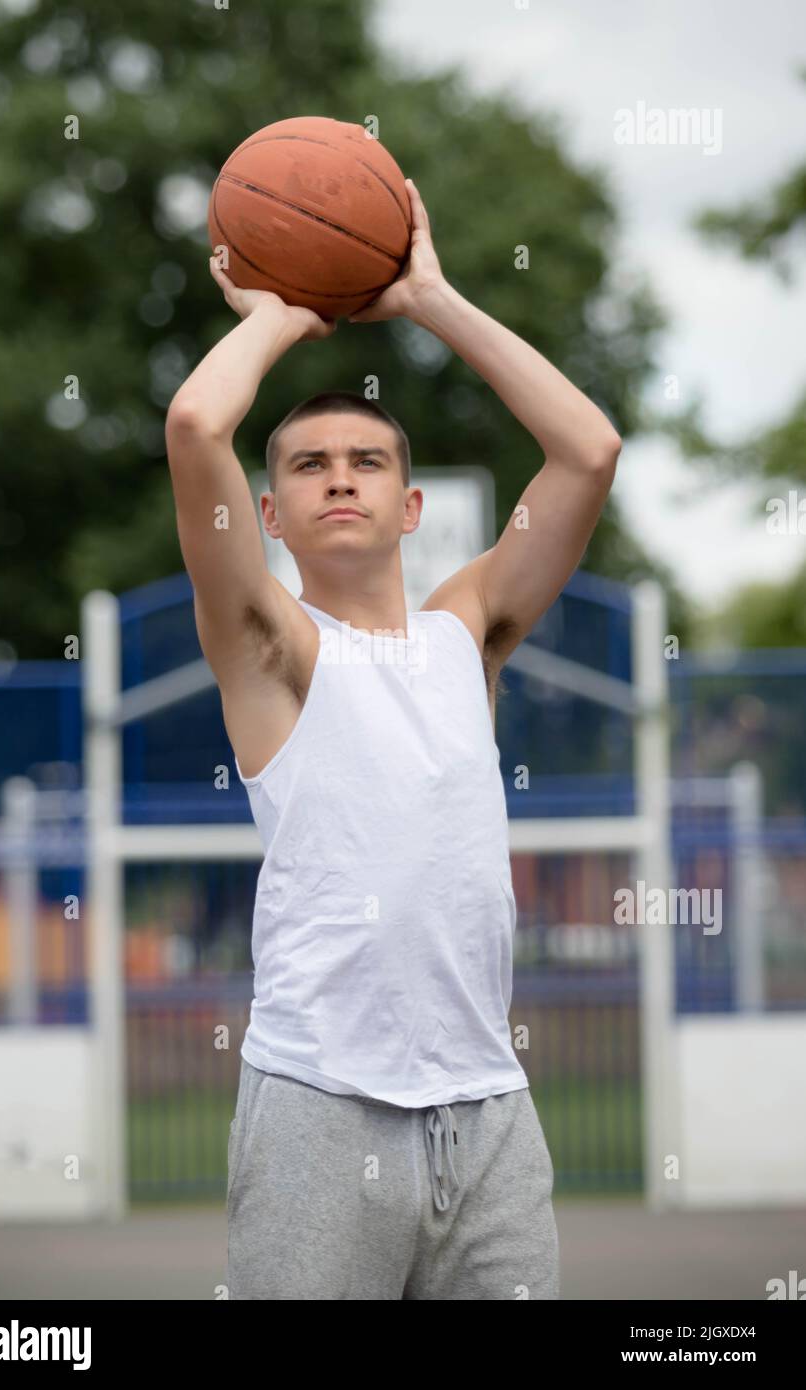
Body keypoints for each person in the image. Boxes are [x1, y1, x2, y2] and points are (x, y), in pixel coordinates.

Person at [166, 179, 621, 1300]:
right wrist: (278, 313)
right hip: (321, 1100)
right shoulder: (270, 646)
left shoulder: (466, 630)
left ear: (408, 506)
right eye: (308, 466)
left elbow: (588, 451)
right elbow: (193, 426)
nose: (337, 479)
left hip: (487, 1110)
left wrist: (428, 296)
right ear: (267, 515)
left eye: (364, 462)